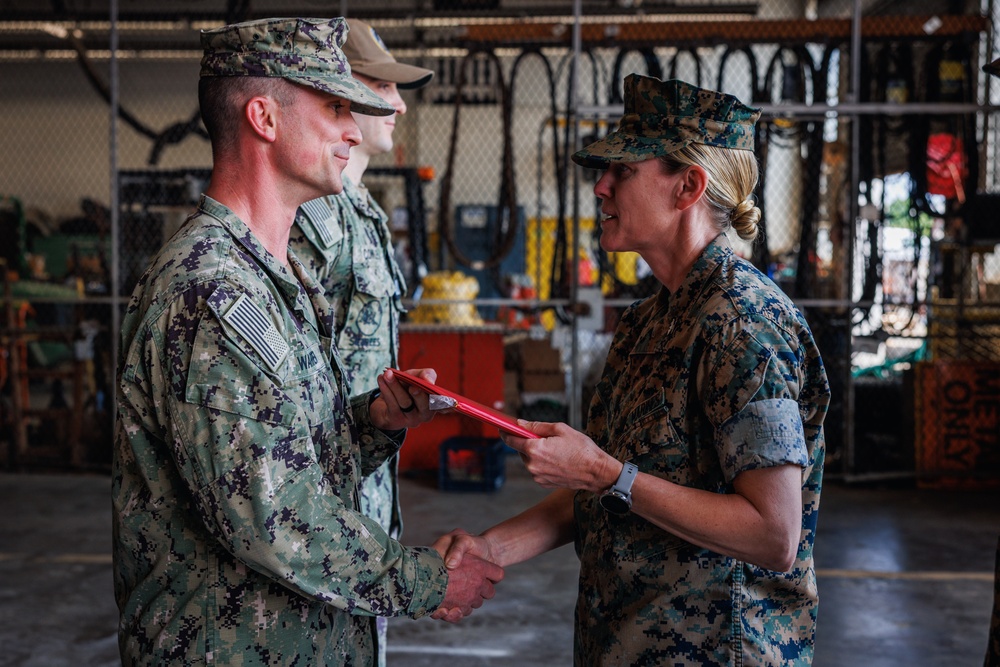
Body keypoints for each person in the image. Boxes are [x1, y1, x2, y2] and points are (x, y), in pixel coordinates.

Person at [111, 17, 502, 666]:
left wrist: (372, 423)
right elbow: (273, 515)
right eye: (334, 106)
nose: (353, 128)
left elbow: (282, 454)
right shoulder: (212, 291)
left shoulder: (268, 277)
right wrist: (427, 579)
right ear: (264, 117)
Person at [434, 74, 831, 666]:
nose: (601, 186)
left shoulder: (743, 325)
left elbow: (773, 534)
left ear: (688, 187)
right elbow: (607, 492)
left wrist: (604, 472)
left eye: (623, 170)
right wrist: (491, 547)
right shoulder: (649, 321)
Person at [286, 21, 433, 665]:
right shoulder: (316, 217)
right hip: (321, 485)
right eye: (379, 86)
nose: (398, 104)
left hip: (364, 466)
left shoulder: (362, 210)